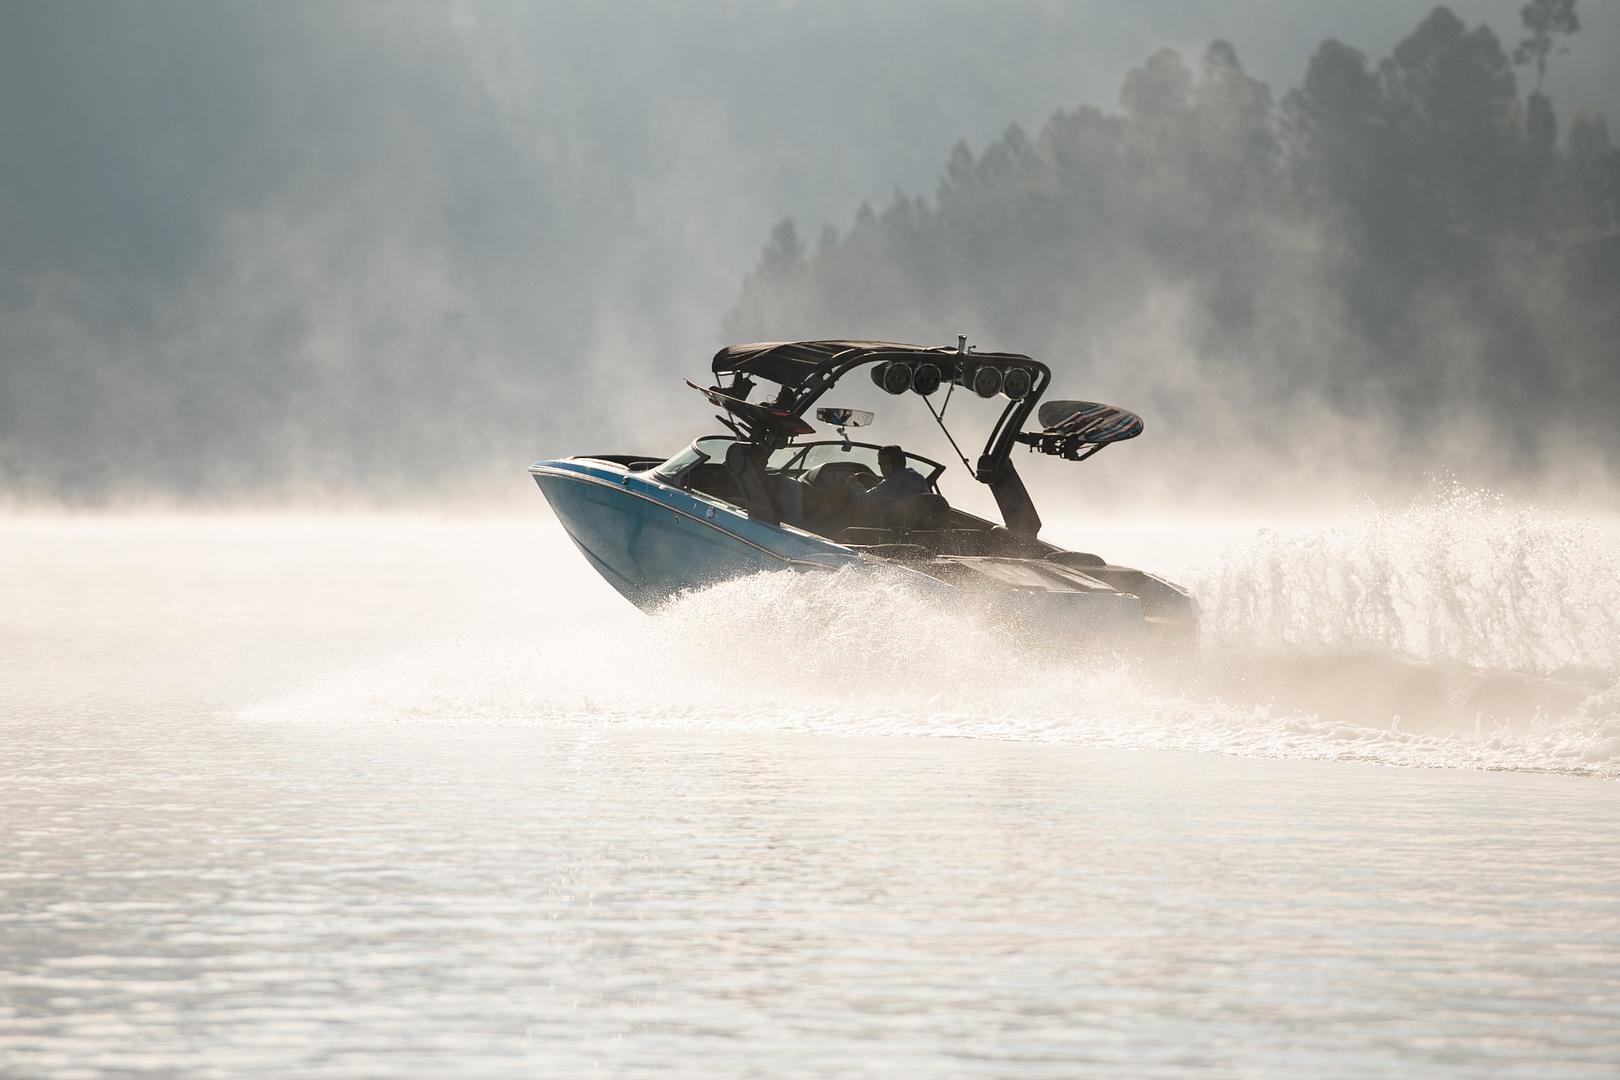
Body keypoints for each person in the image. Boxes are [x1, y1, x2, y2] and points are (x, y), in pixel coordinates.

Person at [851, 444, 931, 527]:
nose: (881, 468)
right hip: (920, 528)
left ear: (891, 464)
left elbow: (866, 501)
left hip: (894, 530)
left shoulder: (892, 484)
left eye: (882, 464)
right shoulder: (918, 477)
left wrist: (854, 485)